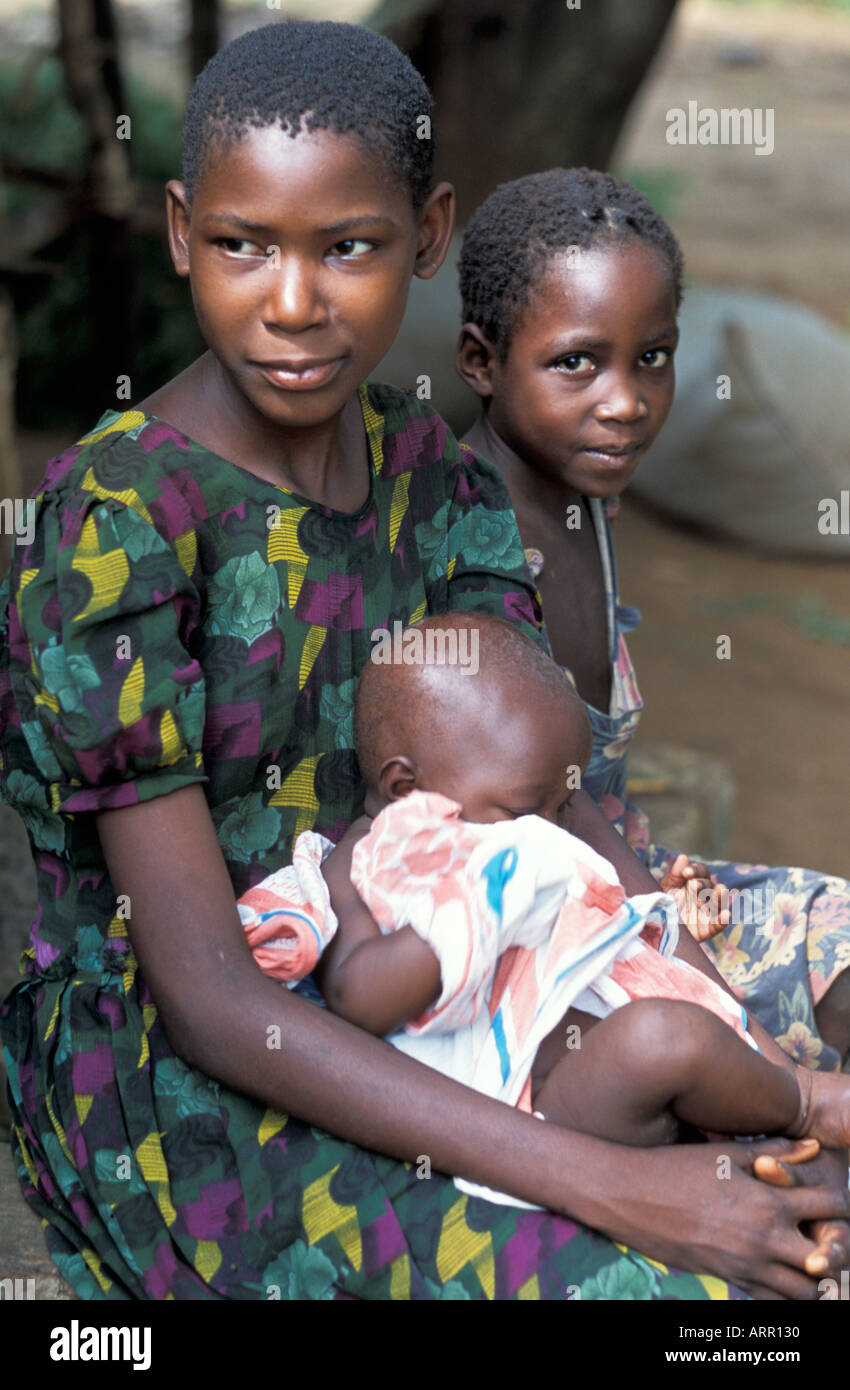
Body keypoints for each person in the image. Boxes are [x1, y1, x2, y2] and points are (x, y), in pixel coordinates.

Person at [0, 24, 846, 1302]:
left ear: (429, 235)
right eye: (243, 245)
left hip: (471, 938)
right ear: (182, 234)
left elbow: (545, 788)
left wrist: (701, 1013)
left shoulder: (425, 472)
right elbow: (215, 1001)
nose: (293, 301)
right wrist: (616, 1180)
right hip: (208, 1070)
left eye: (349, 245)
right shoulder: (120, 525)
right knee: (668, 1289)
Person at [242, 612, 848, 1206]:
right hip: (541, 1106)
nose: (552, 831)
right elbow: (358, 995)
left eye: (563, 809)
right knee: (666, 1036)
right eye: (527, 811)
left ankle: (778, 1147)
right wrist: (479, 907)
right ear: (406, 790)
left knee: (684, 1031)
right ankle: (805, 1103)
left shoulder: (533, 834)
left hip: (638, 1087)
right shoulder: (364, 864)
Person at [457, 166, 850, 1075]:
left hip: (630, 887)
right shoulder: (472, 555)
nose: (626, 400)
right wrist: (692, 960)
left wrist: (670, 888)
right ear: (480, 361)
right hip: (528, 948)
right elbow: (527, 840)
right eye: (576, 363)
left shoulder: (584, 503)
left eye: (654, 357)